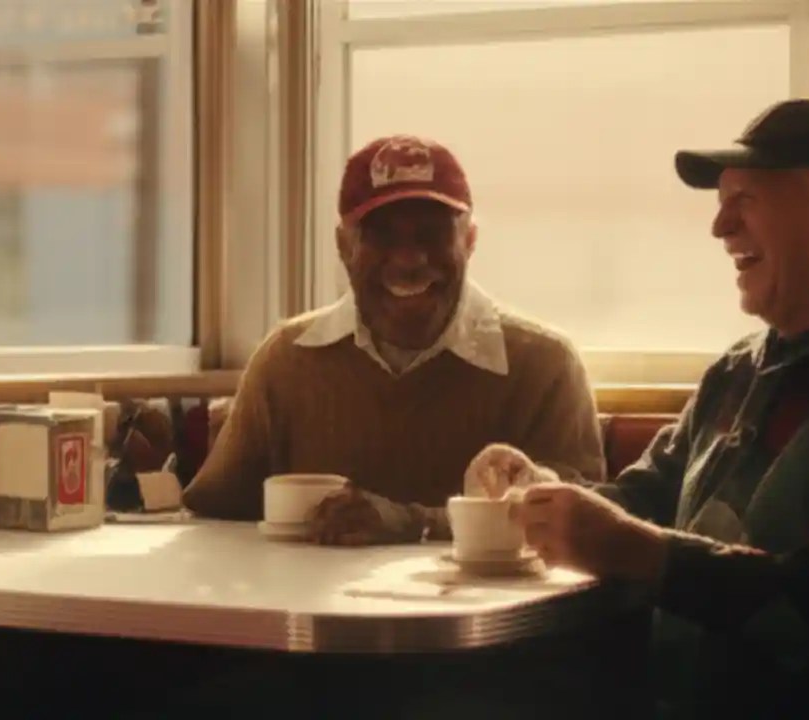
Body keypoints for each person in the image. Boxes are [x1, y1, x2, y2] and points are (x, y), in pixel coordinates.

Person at [473, 99, 809, 718]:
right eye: (720, 202)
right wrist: (543, 497)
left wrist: (645, 556)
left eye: (747, 199)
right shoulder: (737, 369)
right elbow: (643, 499)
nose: (719, 228)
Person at [184, 134, 604, 544]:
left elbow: (575, 525)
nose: (408, 259)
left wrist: (407, 523)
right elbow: (214, 514)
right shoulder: (286, 361)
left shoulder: (545, 366)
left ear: (470, 241)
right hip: (314, 611)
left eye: (432, 234)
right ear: (343, 246)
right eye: (382, 235)